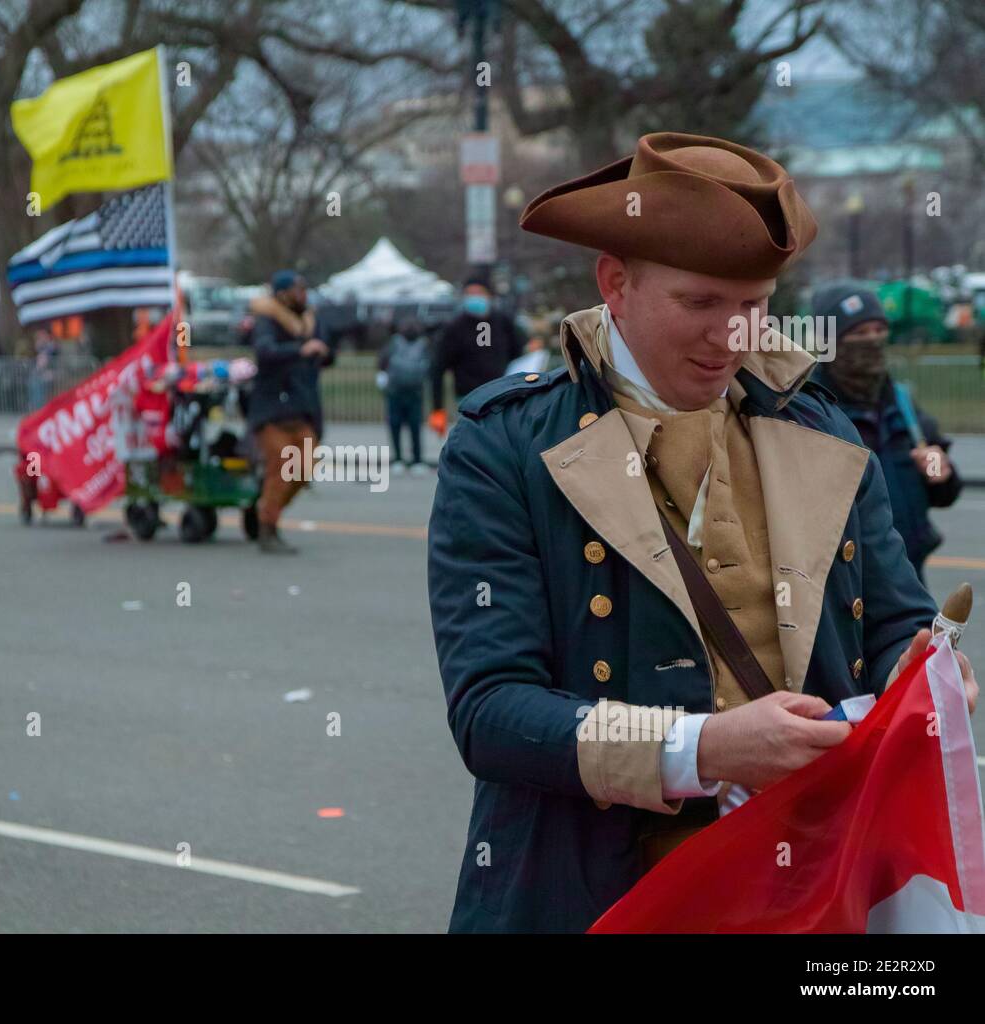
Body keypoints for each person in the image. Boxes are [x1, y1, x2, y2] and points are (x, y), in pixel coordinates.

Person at [427, 132, 979, 934]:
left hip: (811, 887)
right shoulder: (503, 442)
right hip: (604, 895)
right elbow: (492, 711)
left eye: (754, 306)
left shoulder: (823, 427)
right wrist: (701, 749)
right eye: (701, 304)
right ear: (615, 284)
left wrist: (928, 673)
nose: (734, 336)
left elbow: (893, 618)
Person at [811, 282, 963, 582]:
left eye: (879, 330)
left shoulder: (901, 403)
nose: (873, 340)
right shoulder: (811, 408)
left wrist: (938, 470)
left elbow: (942, 489)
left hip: (908, 574)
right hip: (843, 581)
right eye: (858, 334)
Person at [247, 270, 334, 553]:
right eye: (297, 290)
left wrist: (321, 351)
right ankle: (267, 528)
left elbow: (327, 354)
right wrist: (300, 349)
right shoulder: (267, 319)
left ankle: (265, 510)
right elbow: (265, 351)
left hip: (303, 408)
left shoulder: (310, 320)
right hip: (273, 410)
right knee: (282, 469)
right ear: (282, 293)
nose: (303, 295)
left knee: (305, 469)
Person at [428, 275, 526, 436]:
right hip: (468, 398)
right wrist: (437, 409)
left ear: (489, 295)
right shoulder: (454, 328)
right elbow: (438, 367)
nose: (474, 298)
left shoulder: (504, 322)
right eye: (470, 294)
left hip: (502, 396)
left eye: (479, 293)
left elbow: (519, 353)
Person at [377, 317, 431, 475]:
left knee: (408, 426)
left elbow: (382, 361)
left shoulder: (415, 344)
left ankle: (409, 459)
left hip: (407, 391)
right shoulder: (401, 343)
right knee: (402, 425)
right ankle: (408, 459)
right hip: (403, 391)